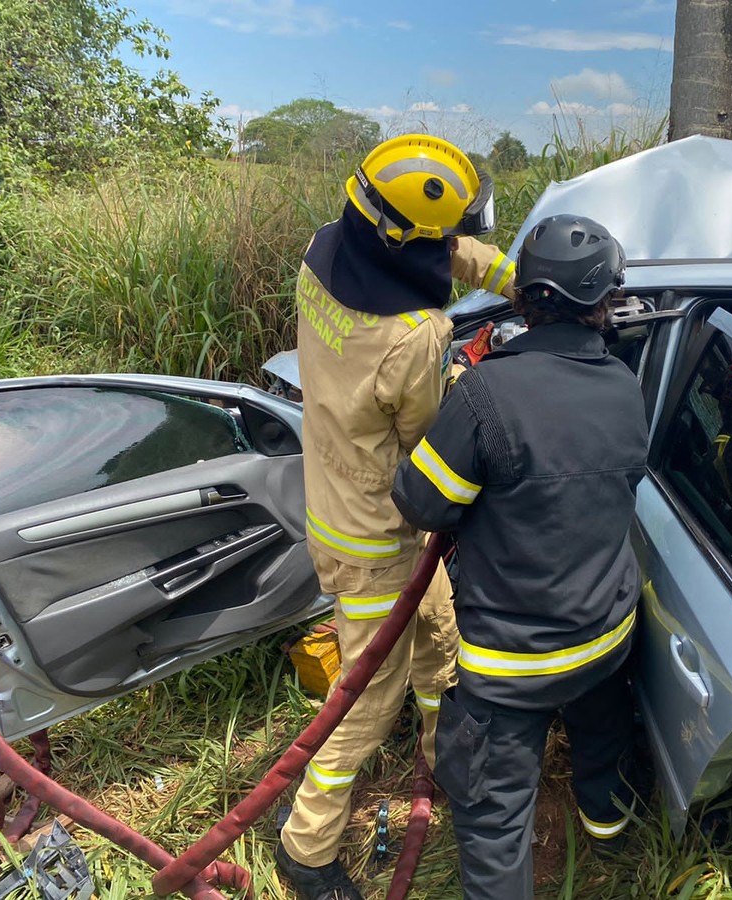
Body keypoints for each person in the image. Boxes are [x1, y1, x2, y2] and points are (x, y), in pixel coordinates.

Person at [275, 133, 518, 900]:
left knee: (440, 638)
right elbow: (427, 446)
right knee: (365, 698)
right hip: (380, 533)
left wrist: (521, 277)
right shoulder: (416, 337)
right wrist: (462, 378)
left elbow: (427, 250)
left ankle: (441, 754)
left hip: (333, 493)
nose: (456, 246)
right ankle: (305, 845)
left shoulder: (329, 247)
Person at [391, 215, 649, 900]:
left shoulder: (485, 393)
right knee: (599, 745)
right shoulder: (626, 383)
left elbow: (422, 504)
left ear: (527, 298)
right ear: (604, 298)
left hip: (513, 666)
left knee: (495, 819)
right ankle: (609, 835)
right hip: (605, 640)